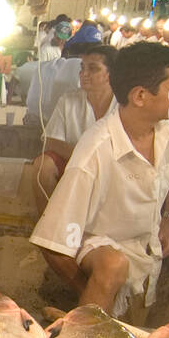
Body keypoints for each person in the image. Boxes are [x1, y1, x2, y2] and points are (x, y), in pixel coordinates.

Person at [31, 42, 169, 320]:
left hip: (148, 255)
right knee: (112, 266)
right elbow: (51, 243)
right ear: (140, 95)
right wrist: (98, 304)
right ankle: (83, 326)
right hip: (102, 250)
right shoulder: (95, 151)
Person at [30, 44, 118, 214]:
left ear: (110, 75)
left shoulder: (124, 105)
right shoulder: (68, 100)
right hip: (73, 163)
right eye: (82, 68)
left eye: (93, 69)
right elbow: (49, 140)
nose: (84, 74)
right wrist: (82, 157)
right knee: (43, 166)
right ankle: (48, 224)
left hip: (112, 167)